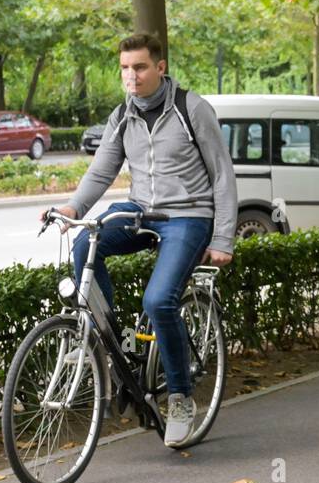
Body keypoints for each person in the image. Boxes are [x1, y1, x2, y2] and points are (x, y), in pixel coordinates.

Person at [42, 32, 238, 446]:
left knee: (158, 299)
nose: (131, 76)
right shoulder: (123, 115)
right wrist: (74, 209)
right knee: (84, 243)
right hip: (140, 210)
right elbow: (102, 171)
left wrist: (223, 238)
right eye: (125, 69)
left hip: (188, 215)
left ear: (160, 67)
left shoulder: (192, 108)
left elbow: (222, 175)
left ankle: (181, 397)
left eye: (140, 67)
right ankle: (105, 339)